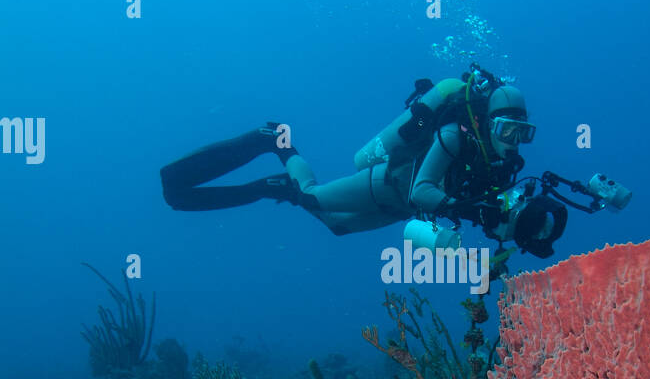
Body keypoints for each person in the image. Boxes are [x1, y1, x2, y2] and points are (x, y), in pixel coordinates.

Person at [160, 66, 568, 257]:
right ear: (487, 124)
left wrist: (512, 223)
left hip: (402, 208)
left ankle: (281, 187)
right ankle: (277, 141)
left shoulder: (503, 165)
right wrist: (455, 206)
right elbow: (422, 188)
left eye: (523, 134)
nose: (513, 143)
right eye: (507, 131)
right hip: (388, 184)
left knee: (337, 229)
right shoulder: (452, 136)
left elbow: (490, 207)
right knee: (316, 199)